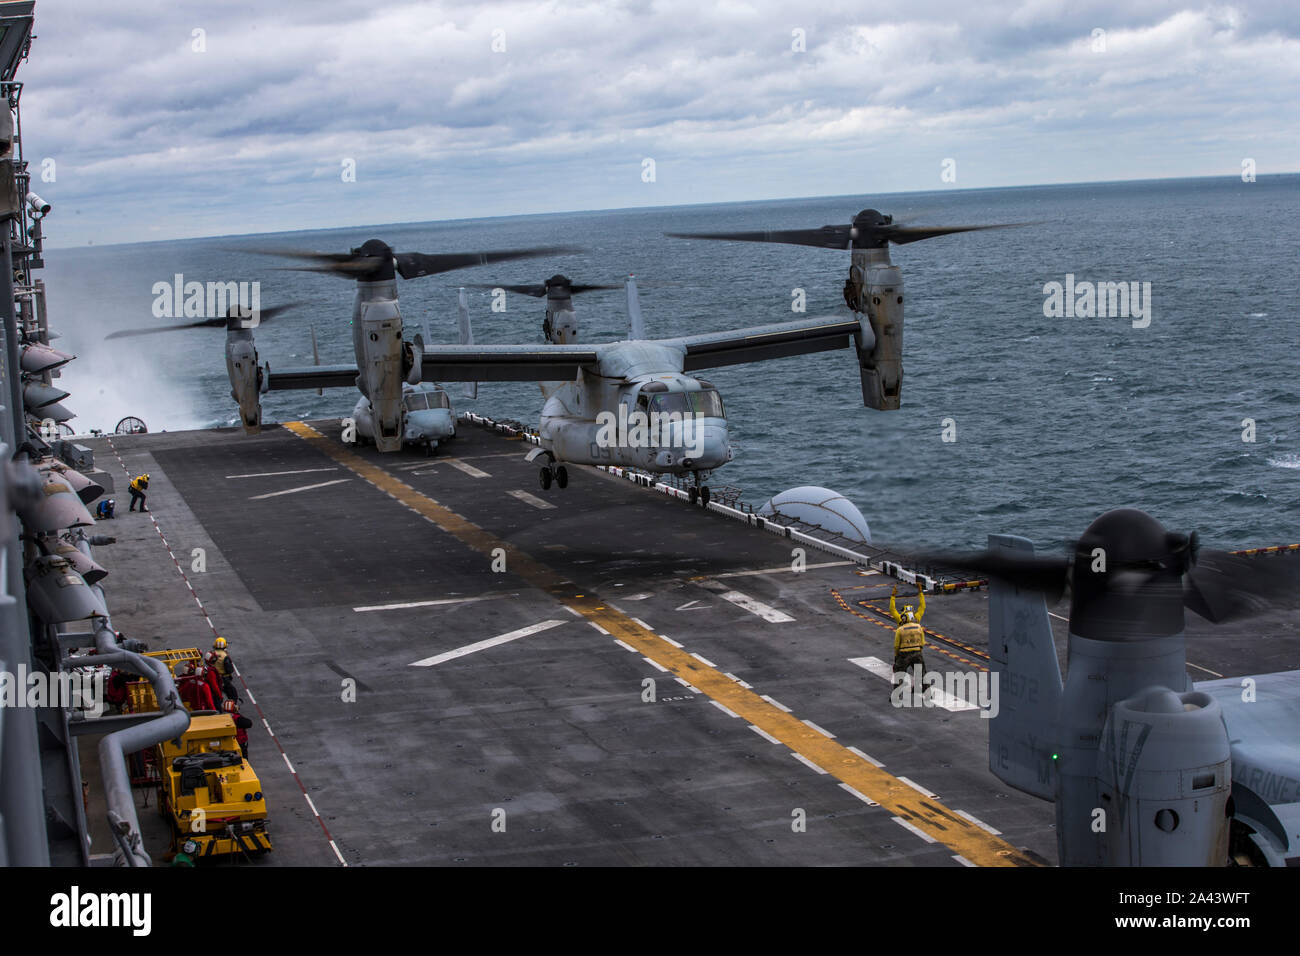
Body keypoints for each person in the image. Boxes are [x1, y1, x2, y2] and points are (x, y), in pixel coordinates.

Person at [888, 584, 928, 694]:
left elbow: (892, 609)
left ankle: (897, 693)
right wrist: (920, 593)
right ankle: (924, 689)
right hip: (917, 651)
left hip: (903, 652)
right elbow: (922, 606)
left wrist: (893, 596)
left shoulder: (900, 621)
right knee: (921, 672)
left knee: (899, 673)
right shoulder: (917, 619)